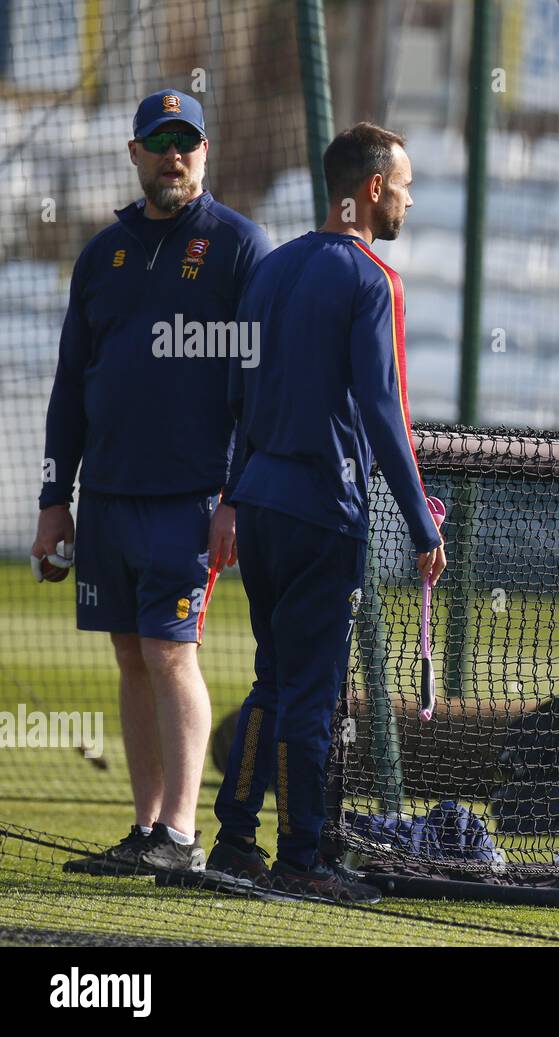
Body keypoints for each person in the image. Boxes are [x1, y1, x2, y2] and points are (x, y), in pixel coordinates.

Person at [204, 122, 446, 903]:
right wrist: (421, 522)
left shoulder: (269, 272)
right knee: (312, 691)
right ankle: (303, 855)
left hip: (261, 506)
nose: (409, 197)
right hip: (320, 510)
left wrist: (232, 499)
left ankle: (234, 840)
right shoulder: (373, 279)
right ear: (372, 189)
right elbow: (384, 411)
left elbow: (237, 399)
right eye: (404, 184)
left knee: (271, 680)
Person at [35, 89, 271, 877]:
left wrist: (236, 496)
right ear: (135, 153)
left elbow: (259, 386)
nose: (175, 154)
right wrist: (51, 501)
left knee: (172, 655)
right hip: (105, 497)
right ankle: (146, 829)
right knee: (131, 655)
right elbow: (71, 385)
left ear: (207, 153)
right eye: (159, 141)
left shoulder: (240, 247)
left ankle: (178, 833)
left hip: (191, 496)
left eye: (188, 142)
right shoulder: (101, 254)